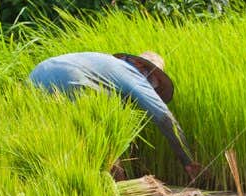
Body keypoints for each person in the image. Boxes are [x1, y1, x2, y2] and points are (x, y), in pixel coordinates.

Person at [28, 50, 202, 179]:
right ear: (141, 66)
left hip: (35, 76)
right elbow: (165, 117)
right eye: (153, 81)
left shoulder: (107, 66)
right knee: (102, 141)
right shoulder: (134, 75)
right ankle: (114, 188)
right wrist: (187, 161)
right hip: (72, 81)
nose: (151, 86)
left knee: (57, 142)